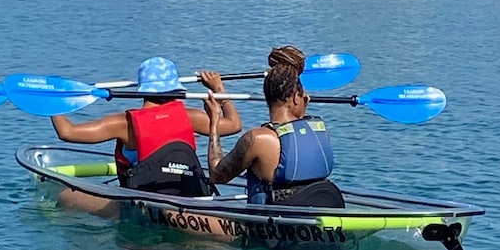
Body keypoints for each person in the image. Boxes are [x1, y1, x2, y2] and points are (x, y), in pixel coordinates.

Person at [50, 56, 241, 213]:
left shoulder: (124, 123)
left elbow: (67, 132)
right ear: (176, 89)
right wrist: (218, 90)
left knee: (65, 196)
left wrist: (50, 101)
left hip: (142, 205)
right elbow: (234, 125)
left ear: (143, 91)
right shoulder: (191, 117)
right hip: (191, 202)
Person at [204, 46, 343, 208]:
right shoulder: (321, 132)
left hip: (276, 224)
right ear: (296, 98)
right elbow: (296, 132)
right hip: (327, 205)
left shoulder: (258, 139)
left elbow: (217, 174)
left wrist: (214, 121)